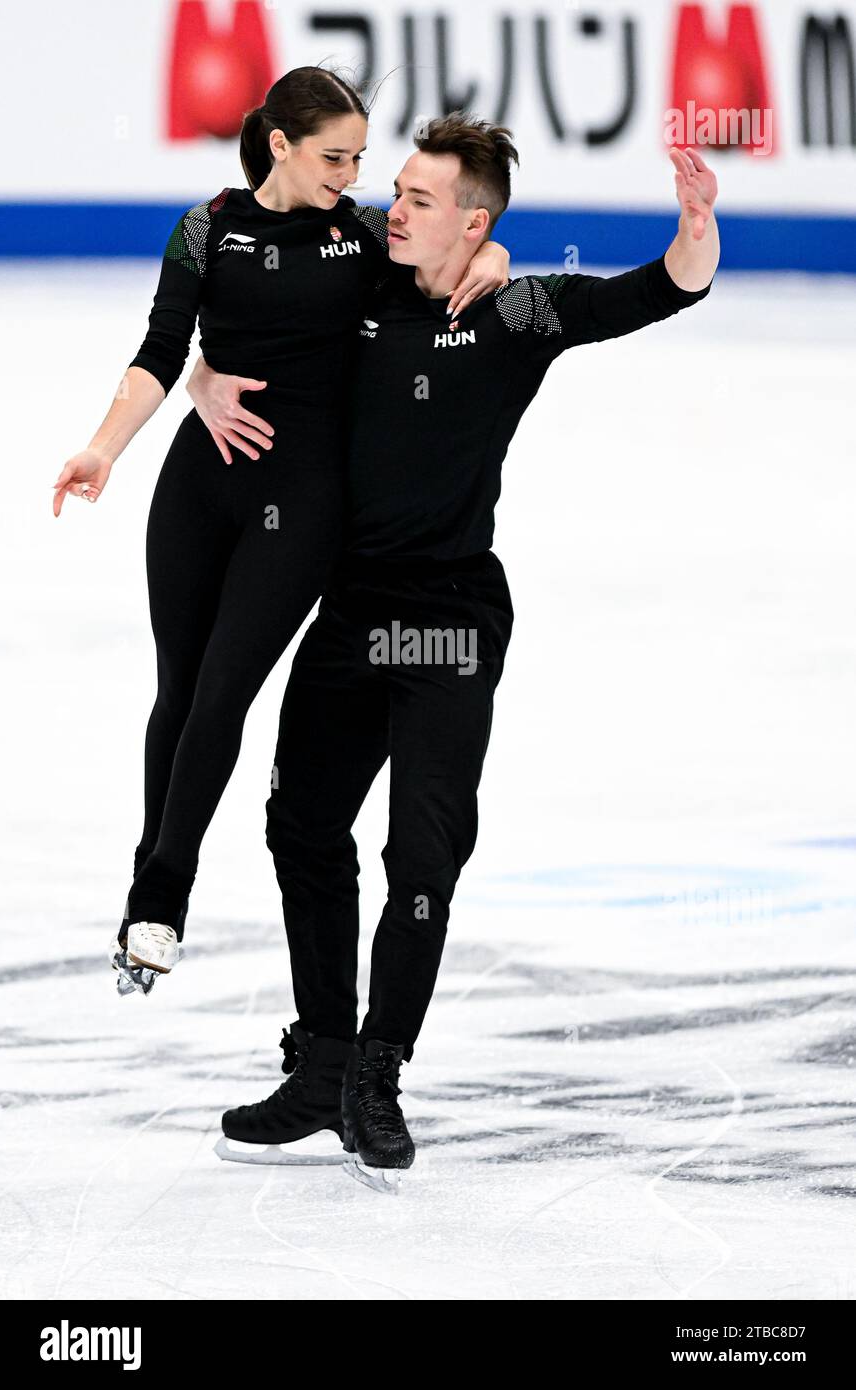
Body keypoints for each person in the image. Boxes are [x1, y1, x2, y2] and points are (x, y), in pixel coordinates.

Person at [190, 115, 719, 1191]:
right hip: (352, 608)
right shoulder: (360, 281)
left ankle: (376, 1072)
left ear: (473, 223)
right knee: (301, 824)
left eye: (419, 201)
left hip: (447, 618)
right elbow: (244, 290)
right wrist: (201, 375)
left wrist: (694, 229)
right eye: (394, 190)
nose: (391, 209)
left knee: (423, 857)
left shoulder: (514, 311)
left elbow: (655, 291)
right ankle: (321, 1064)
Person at [50, 69, 509, 997]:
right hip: (199, 486)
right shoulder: (206, 228)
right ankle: (151, 878)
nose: (352, 176)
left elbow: (444, 258)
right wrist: (109, 443)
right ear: (280, 146)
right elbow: (160, 350)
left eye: (360, 159)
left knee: (223, 693)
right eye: (335, 157)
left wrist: (492, 257)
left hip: (303, 506)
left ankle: (163, 895)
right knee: (179, 692)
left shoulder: (359, 238)